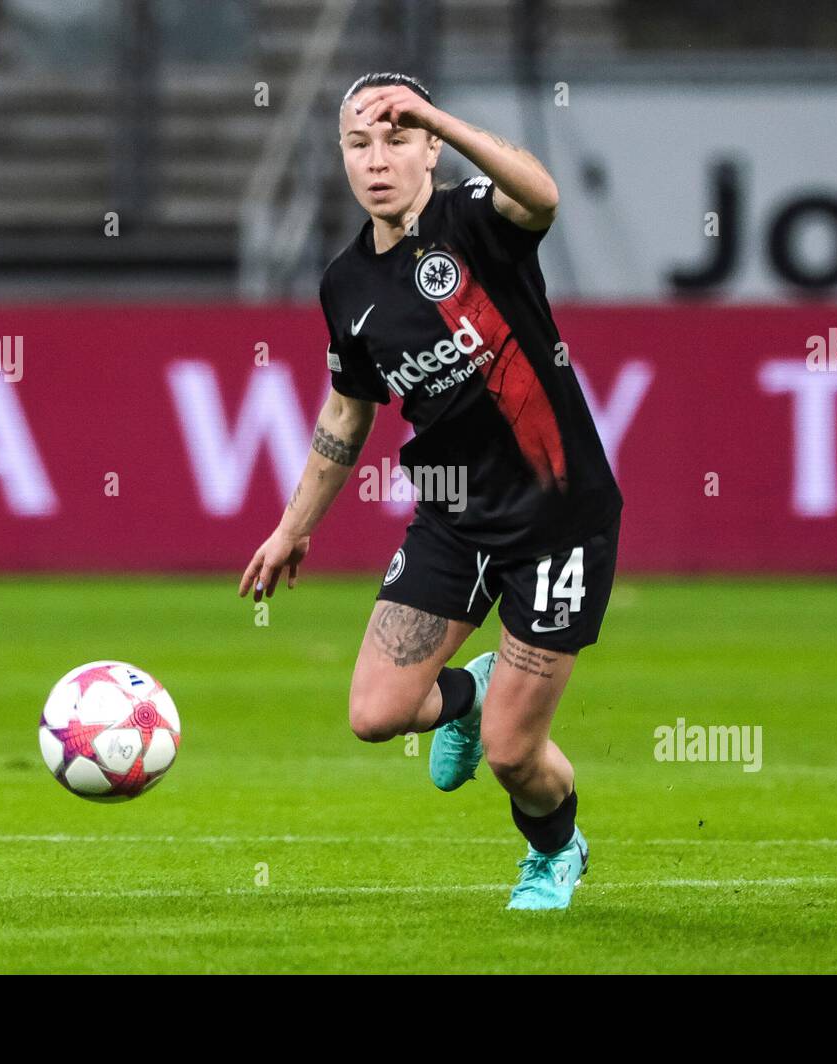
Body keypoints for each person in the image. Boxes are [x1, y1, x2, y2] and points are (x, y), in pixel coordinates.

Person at [239, 72, 623, 910]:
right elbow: (349, 411)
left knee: (515, 754)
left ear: (431, 147)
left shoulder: (476, 220)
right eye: (359, 142)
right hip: (453, 517)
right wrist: (291, 526)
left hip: (557, 521)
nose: (378, 159)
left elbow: (544, 195)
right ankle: (473, 687)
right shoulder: (346, 284)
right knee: (375, 714)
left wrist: (440, 112)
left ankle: (555, 852)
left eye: (398, 137)